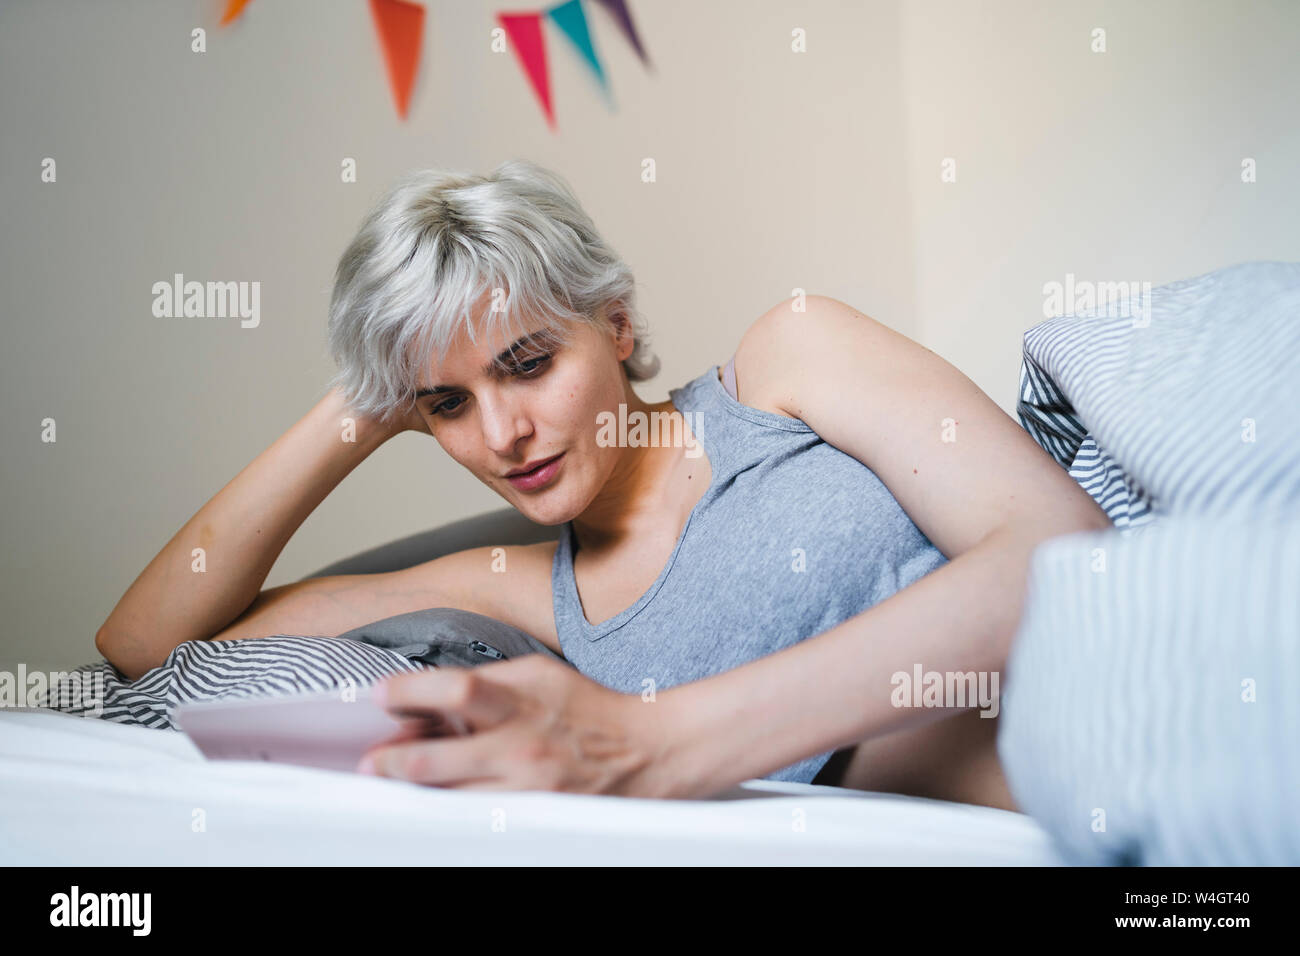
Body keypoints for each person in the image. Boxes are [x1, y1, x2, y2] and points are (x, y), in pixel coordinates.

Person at [95, 160, 1111, 807]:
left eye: (528, 361)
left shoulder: (788, 361)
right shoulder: (518, 587)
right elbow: (145, 647)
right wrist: (362, 400)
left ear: (616, 324)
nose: (503, 432)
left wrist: (658, 740)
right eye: (445, 404)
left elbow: (1060, 546)